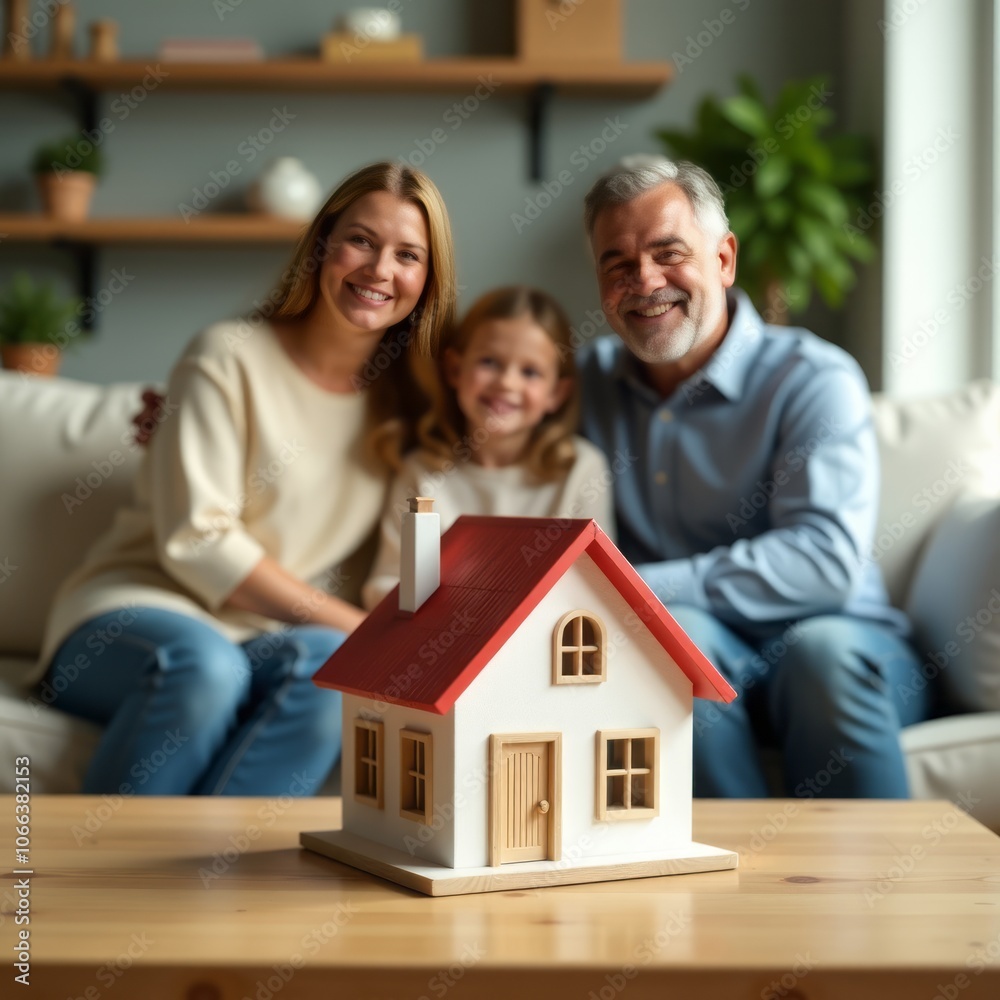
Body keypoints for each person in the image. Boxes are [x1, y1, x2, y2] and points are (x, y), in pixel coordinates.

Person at [34, 161, 457, 796]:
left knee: (330, 675)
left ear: (427, 281)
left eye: (408, 255)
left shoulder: (405, 407)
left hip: (261, 639)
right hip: (135, 614)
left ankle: (212, 888)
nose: (379, 271)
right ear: (321, 246)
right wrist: (356, 627)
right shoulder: (226, 355)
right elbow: (198, 541)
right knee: (205, 669)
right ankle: (103, 887)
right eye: (361, 241)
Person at [578, 157, 930, 798]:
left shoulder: (813, 379)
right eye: (617, 265)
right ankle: (730, 887)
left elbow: (824, 563)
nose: (646, 281)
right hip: (699, 650)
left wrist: (636, 587)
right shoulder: (581, 386)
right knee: (675, 645)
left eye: (669, 253)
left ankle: (874, 895)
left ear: (724, 258)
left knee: (817, 656)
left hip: (847, 649)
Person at [362, 285, 614, 609]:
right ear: (455, 369)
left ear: (557, 394)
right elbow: (389, 587)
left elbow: (598, 591)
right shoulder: (423, 473)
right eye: (490, 362)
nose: (507, 383)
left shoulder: (581, 468)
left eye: (530, 372)